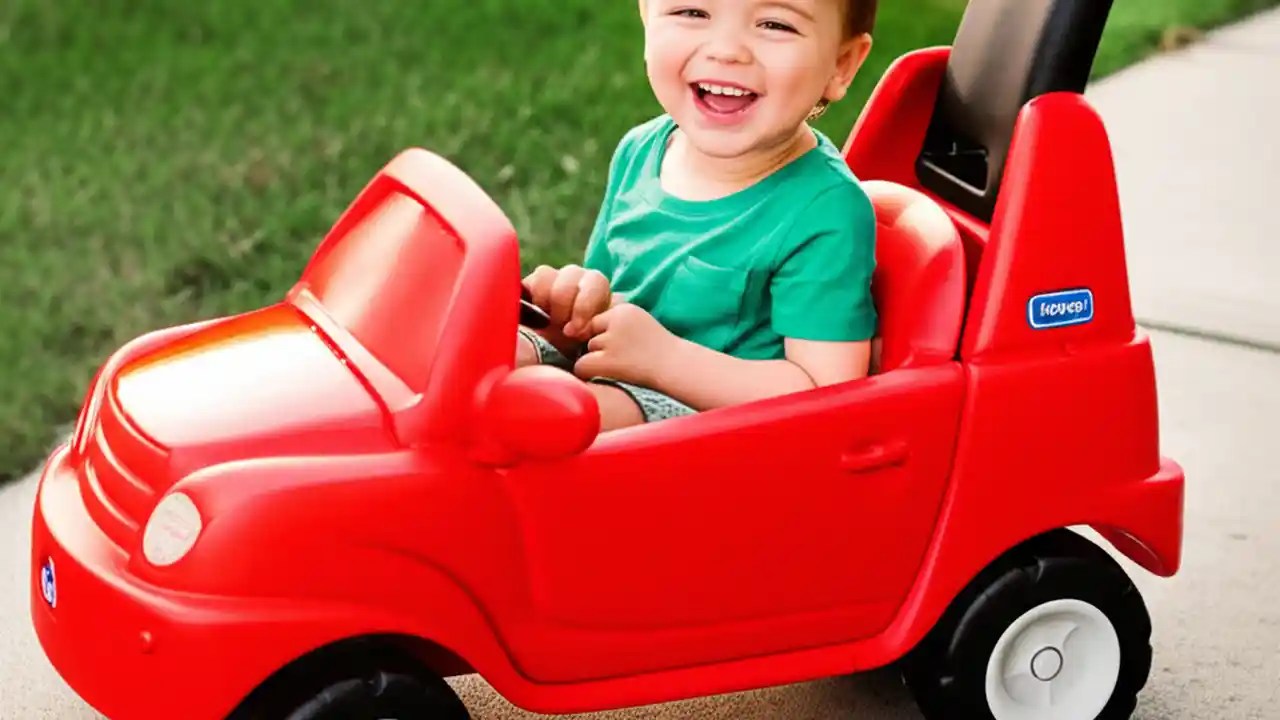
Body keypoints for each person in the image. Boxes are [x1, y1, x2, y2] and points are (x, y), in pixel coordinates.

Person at [517, 0, 880, 431]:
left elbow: (825, 392)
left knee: (550, 423)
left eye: (774, 24)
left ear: (841, 65)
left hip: (715, 429)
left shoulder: (825, 211)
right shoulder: (642, 150)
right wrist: (571, 308)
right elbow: (606, 304)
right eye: (692, 12)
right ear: (646, 18)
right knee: (484, 354)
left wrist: (665, 360)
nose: (727, 50)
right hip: (615, 372)